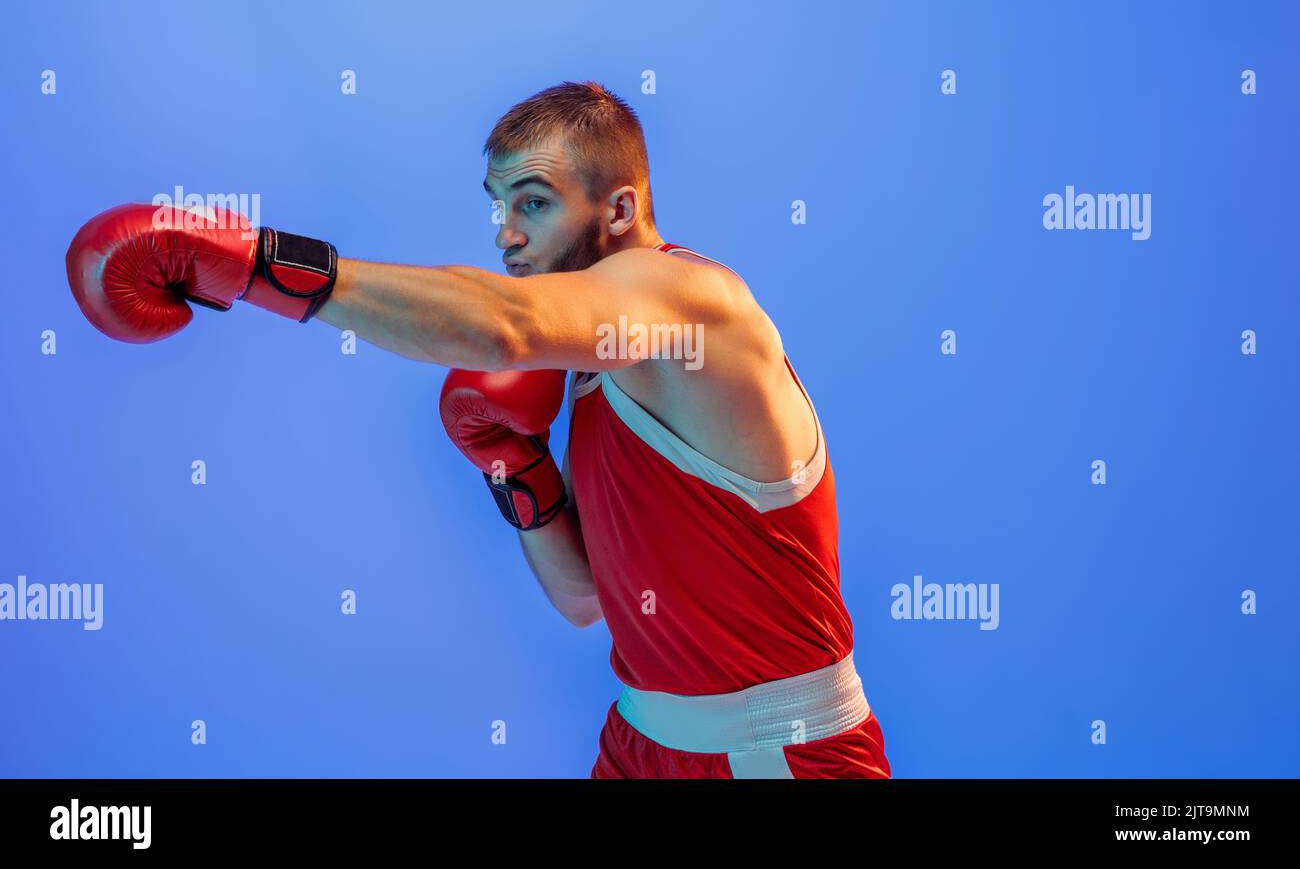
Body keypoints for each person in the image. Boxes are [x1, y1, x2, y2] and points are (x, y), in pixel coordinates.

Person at [65, 81, 890, 779]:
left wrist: (250, 263)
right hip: (641, 737)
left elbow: (505, 325)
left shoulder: (685, 301)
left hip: (774, 749)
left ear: (621, 206)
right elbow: (583, 600)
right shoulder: (597, 364)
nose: (507, 234)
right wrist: (516, 467)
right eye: (498, 206)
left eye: (532, 201)